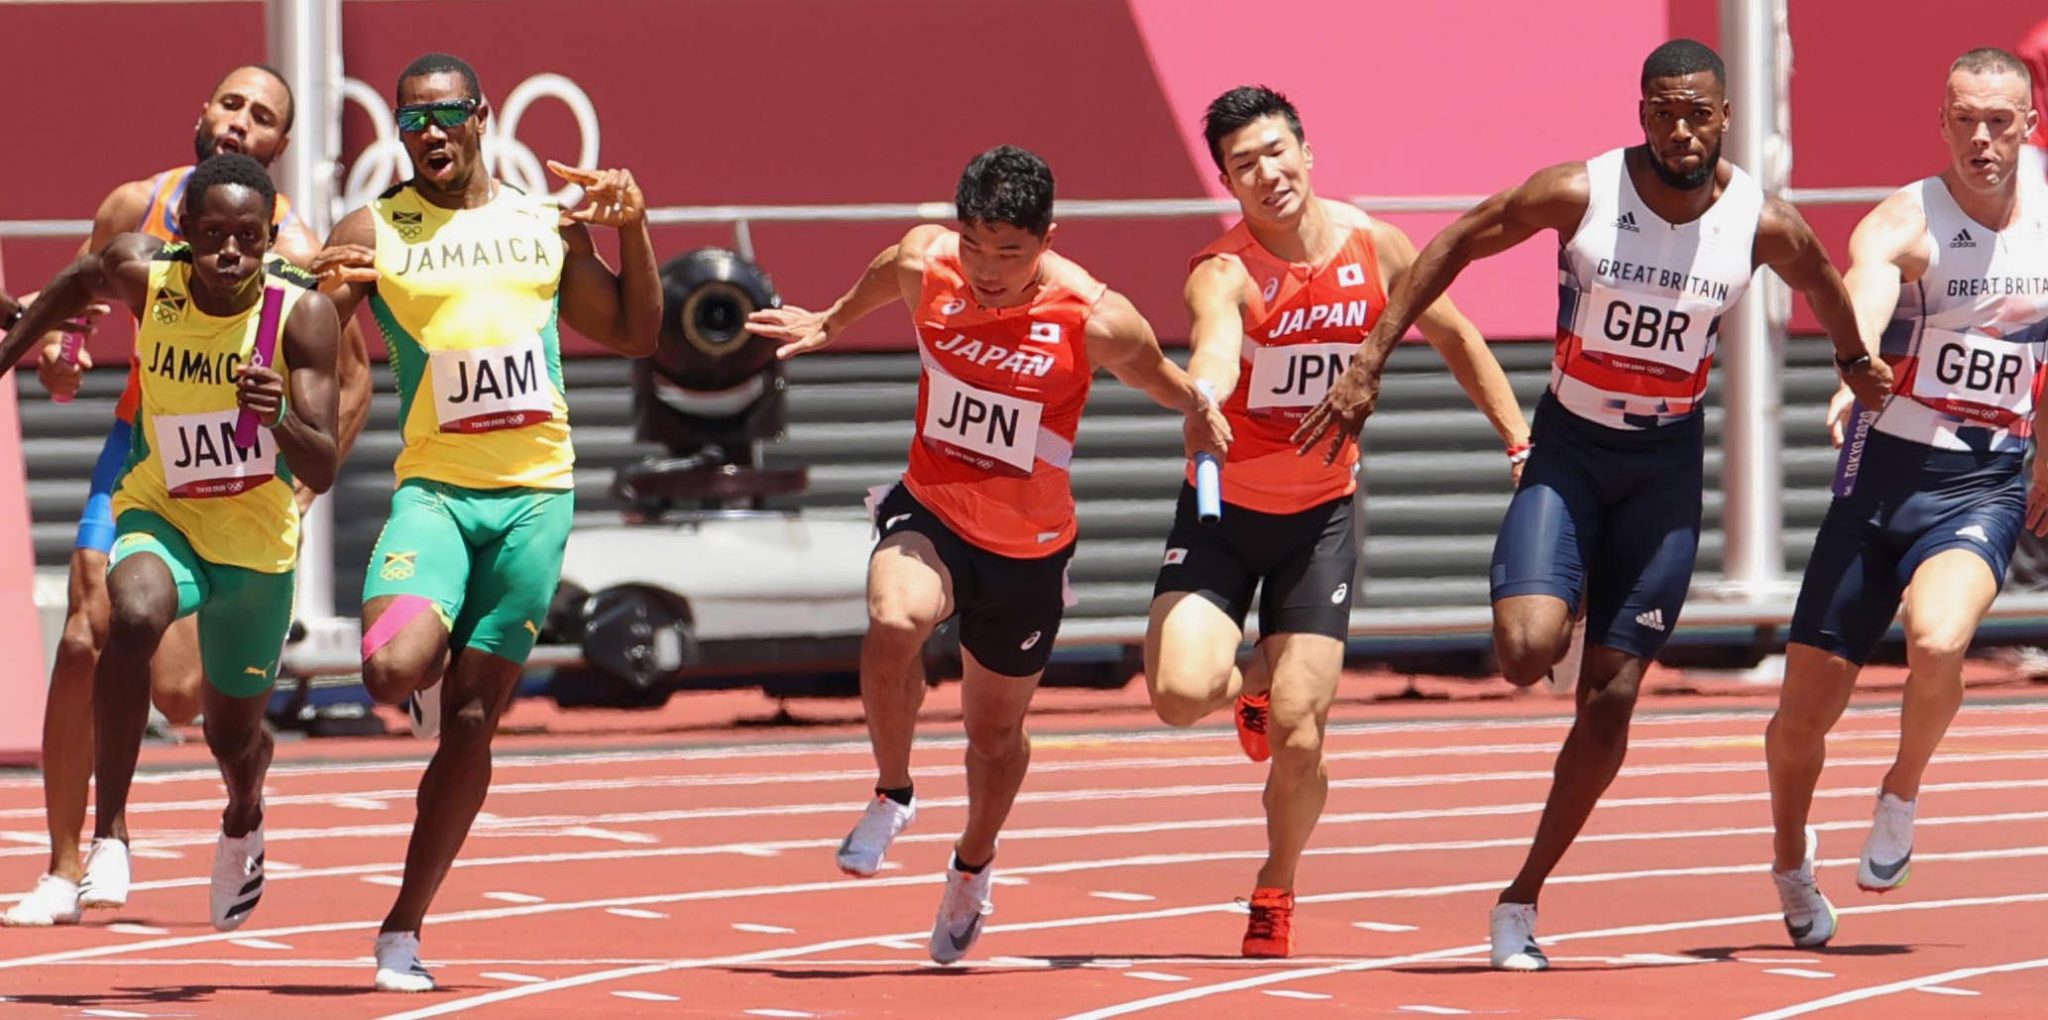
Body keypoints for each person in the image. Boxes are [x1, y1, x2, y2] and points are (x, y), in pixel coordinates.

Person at [1293, 38, 1892, 970]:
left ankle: (1520, 899)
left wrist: (1856, 363)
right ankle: (1561, 583)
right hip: (1571, 448)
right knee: (1526, 651)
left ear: (1725, 116)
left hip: (1663, 466)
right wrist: (1372, 356)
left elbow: (1820, 276)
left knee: (1609, 701)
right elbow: (1458, 237)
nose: (1681, 129)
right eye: (1663, 110)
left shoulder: (1759, 223)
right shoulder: (1580, 193)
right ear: (1640, 111)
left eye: (1698, 112)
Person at [746, 144, 1228, 965]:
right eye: (975, 245)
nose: (988, 269)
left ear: (1048, 239)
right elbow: (883, 271)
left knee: (993, 738)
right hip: (932, 506)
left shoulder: (1093, 314)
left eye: (1010, 252)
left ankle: (972, 864)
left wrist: (1196, 409)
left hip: (1028, 549)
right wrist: (828, 322)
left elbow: (1157, 374)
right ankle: (893, 791)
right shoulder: (925, 260)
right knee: (894, 615)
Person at [1144, 85, 1529, 958]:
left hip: (1320, 519)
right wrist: (1204, 388)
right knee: (1176, 696)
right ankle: (1247, 675)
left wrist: (1519, 440)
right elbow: (1213, 337)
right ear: (1229, 185)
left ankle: (1276, 885)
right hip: (1223, 512)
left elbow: (1459, 338)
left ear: (1307, 153)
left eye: (1277, 152)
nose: (1267, 173)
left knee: (1301, 727)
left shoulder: (1376, 245)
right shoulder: (1225, 271)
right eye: (1245, 165)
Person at [311, 51, 659, 992]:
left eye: (444, 115)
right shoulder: (374, 226)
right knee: (391, 671)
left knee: (470, 724)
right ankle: (433, 636)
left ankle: (402, 929)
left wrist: (636, 231)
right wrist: (316, 291)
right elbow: (309, 335)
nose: (426, 134)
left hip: (535, 501)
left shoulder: (541, 221)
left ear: (481, 117)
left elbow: (633, 332)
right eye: (409, 120)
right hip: (436, 492)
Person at [3, 64, 372, 929]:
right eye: (232, 104)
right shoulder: (134, 209)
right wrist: (54, 361)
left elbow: (349, 385)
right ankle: (76, 858)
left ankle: (240, 796)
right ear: (201, 111)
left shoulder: (297, 260)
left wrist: (299, 489)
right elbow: (69, 317)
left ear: (280, 148)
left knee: (186, 700)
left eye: (263, 117)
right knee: (95, 623)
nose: (242, 123)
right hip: (146, 451)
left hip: (251, 486)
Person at [1767, 47, 2047, 948]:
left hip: (1981, 483)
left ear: (2029, 126)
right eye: (1964, 118)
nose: (1981, 138)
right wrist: (1858, 365)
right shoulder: (1908, 216)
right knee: (1799, 719)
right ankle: (1790, 864)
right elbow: (1870, 280)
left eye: (1999, 121)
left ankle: (1902, 789)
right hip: (1879, 482)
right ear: (1942, 123)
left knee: (1938, 638)